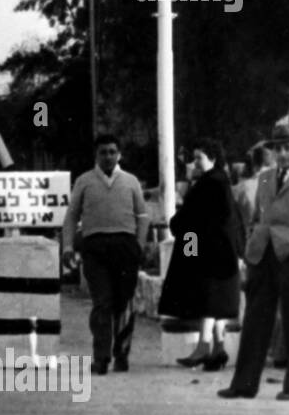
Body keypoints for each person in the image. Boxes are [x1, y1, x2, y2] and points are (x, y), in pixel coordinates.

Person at [219, 123, 289, 401]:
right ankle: (243, 384)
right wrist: (251, 247)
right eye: (278, 148)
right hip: (262, 255)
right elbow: (257, 217)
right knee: (255, 319)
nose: (282, 153)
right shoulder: (266, 178)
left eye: (288, 148)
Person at [62, 133, 149, 374]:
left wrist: (139, 246)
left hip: (125, 246)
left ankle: (122, 353)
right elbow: (71, 216)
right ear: (96, 155)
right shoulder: (84, 181)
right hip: (95, 248)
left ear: (119, 154)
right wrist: (68, 247)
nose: (108, 156)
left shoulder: (131, 181)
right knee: (102, 302)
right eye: (103, 152)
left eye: (112, 152)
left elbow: (142, 216)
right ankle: (101, 356)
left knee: (124, 303)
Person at [161, 137, 242, 370]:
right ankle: (218, 349)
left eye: (199, 158)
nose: (194, 163)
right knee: (215, 303)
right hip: (219, 253)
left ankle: (204, 348)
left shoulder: (209, 184)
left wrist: (177, 226)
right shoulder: (220, 181)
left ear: (212, 159)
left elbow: (189, 218)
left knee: (207, 301)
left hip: (210, 254)